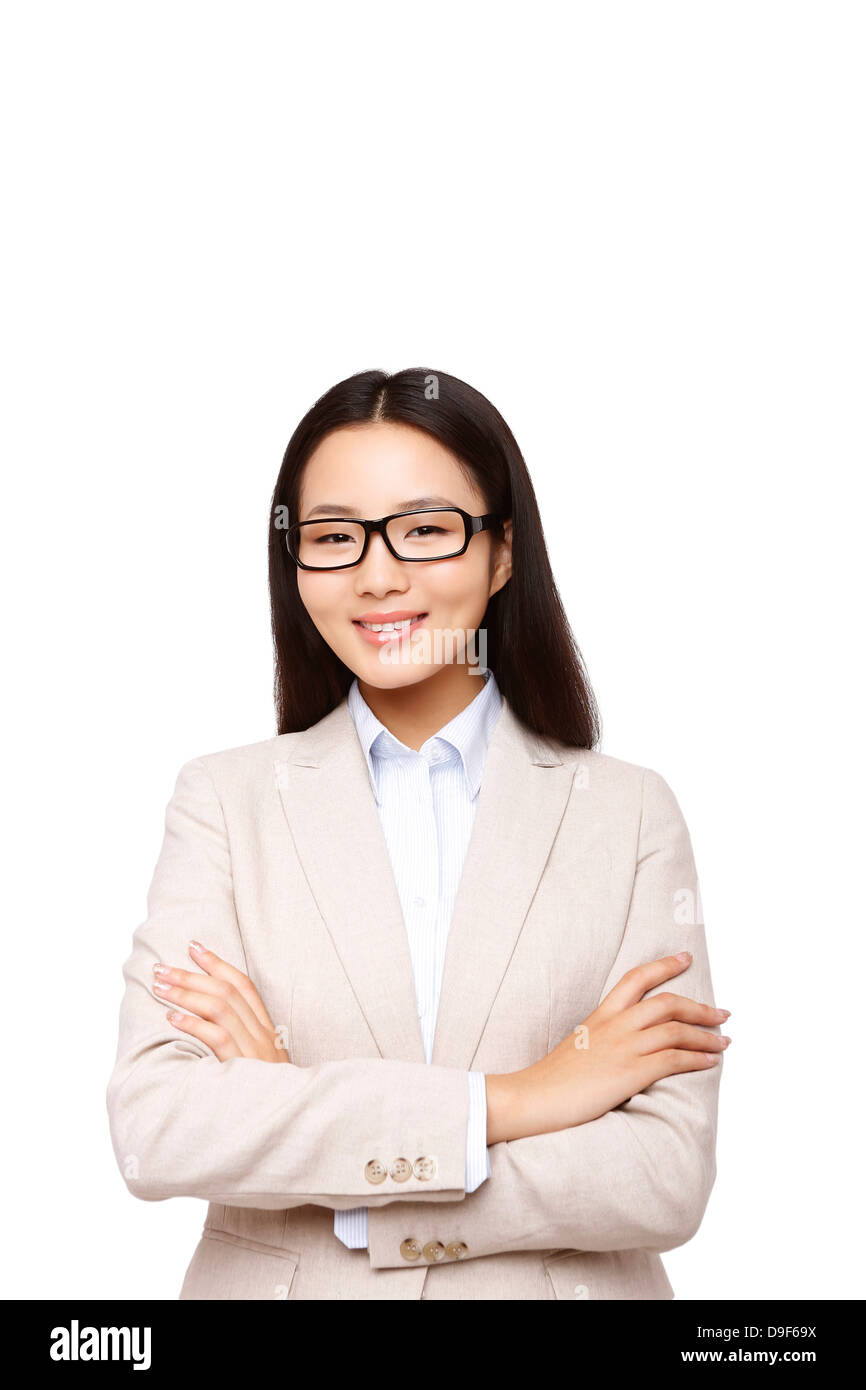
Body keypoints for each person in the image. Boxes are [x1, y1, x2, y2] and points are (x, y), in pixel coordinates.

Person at [106, 366, 728, 1300]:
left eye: (426, 529)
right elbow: (159, 1127)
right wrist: (524, 1098)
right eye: (333, 537)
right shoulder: (224, 803)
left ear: (503, 552)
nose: (378, 575)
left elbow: (663, 1178)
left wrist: (326, 1150)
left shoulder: (628, 813)